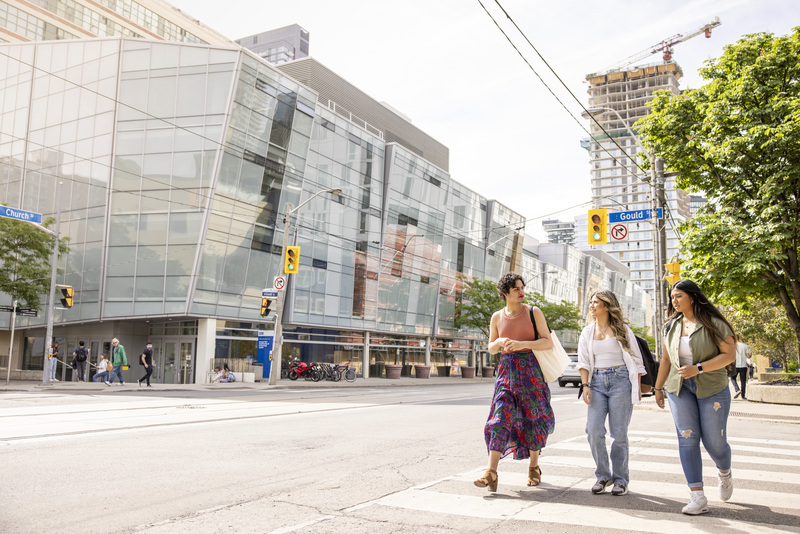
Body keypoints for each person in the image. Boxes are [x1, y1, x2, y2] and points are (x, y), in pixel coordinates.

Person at [654, 279, 737, 515]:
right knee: (687, 438)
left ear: (692, 296)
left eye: (679, 295)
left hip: (712, 387)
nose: (674, 300)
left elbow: (729, 355)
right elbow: (667, 360)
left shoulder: (714, 324)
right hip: (679, 388)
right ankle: (697, 496)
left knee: (714, 442)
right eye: (672, 297)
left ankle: (724, 471)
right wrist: (658, 389)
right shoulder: (670, 326)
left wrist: (698, 368)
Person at [474, 273, 555, 492]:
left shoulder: (533, 312)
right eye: (516, 289)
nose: (522, 292)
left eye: (522, 288)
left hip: (530, 370)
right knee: (498, 419)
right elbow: (491, 347)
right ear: (505, 293)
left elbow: (547, 342)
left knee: (533, 418)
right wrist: (499, 341)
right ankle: (491, 472)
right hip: (506, 372)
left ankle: (534, 467)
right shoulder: (497, 317)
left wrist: (521, 344)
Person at [577, 290, 645, 496]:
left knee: (619, 434)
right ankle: (603, 475)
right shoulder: (587, 332)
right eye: (591, 302)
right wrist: (585, 385)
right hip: (596, 382)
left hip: (621, 381)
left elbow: (636, 359)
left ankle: (621, 480)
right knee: (593, 430)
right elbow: (584, 361)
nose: (591, 305)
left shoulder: (622, 329)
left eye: (595, 302)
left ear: (606, 305)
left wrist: (638, 386)